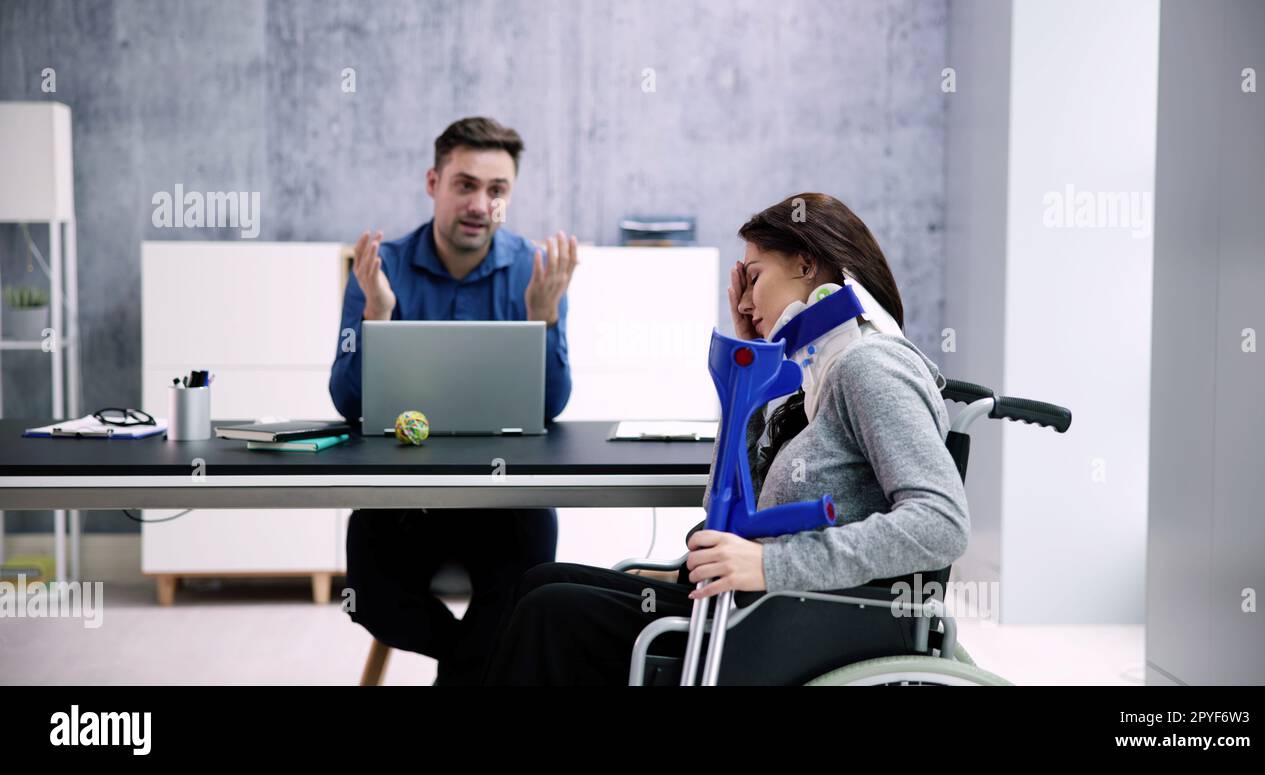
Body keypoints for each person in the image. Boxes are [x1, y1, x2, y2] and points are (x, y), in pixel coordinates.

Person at [482, 193, 970, 685]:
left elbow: (941, 524)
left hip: (808, 621)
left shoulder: (872, 366)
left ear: (806, 264)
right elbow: (725, 510)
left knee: (551, 609)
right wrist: (751, 367)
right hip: (766, 608)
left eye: (753, 278)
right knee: (542, 581)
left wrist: (771, 563)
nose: (741, 300)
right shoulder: (821, 378)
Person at [329, 117, 579, 685]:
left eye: (497, 191)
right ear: (433, 183)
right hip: (403, 500)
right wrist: (377, 314)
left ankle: (466, 667)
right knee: (366, 597)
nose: (479, 204)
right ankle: (472, 668)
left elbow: (550, 407)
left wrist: (545, 316)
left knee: (527, 592)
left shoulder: (531, 269)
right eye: (464, 185)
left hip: (505, 500)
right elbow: (347, 402)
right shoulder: (381, 268)